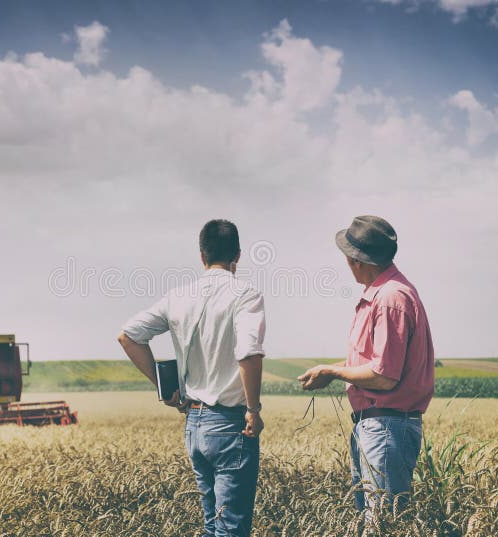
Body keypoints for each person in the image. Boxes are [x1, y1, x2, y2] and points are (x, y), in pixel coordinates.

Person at [118, 219, 266, 537]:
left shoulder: (177, 296)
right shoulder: (246, 295)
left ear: (202, 255)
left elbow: (128, 337)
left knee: (212, 526)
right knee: (231, 528)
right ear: (237, 255)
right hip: (229, 424)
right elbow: (250, 352)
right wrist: (253, 409)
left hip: (194, 424)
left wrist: (164, 387)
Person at [298, 215, 434, 520]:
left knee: (383, 523)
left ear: (357, 260)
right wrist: (329, 370)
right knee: (375, 521)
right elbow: (373, 364)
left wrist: (331, 372)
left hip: (385, 428)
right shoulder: (389, 293)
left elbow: (384, 377)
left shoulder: (388, 299)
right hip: (380, 427)